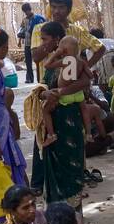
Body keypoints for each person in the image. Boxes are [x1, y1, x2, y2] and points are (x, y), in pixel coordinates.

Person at [31, 22, 89, 210]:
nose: (42, 43)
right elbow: (41, 90)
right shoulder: (54, 64)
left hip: (70, 122)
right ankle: (56, 209)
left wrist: (61, 91)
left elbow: (85, 83)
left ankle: (74, 209)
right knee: (54, 163)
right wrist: (46, 94)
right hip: (55, 121)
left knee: (73, 163)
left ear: (58, 42)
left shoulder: (72, 62)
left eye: (45, 40)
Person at [19, 3, 43, 83]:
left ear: (30, 9)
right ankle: (29, 78)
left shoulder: (38, 18)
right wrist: (19, 41)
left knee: (38, 60)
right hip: (27, 43)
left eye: (27, 11)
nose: (26, 13)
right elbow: (21, 30)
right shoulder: (24, 20)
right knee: (28, 61)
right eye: (25, 12)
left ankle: (40, 78)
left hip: (36, 43)